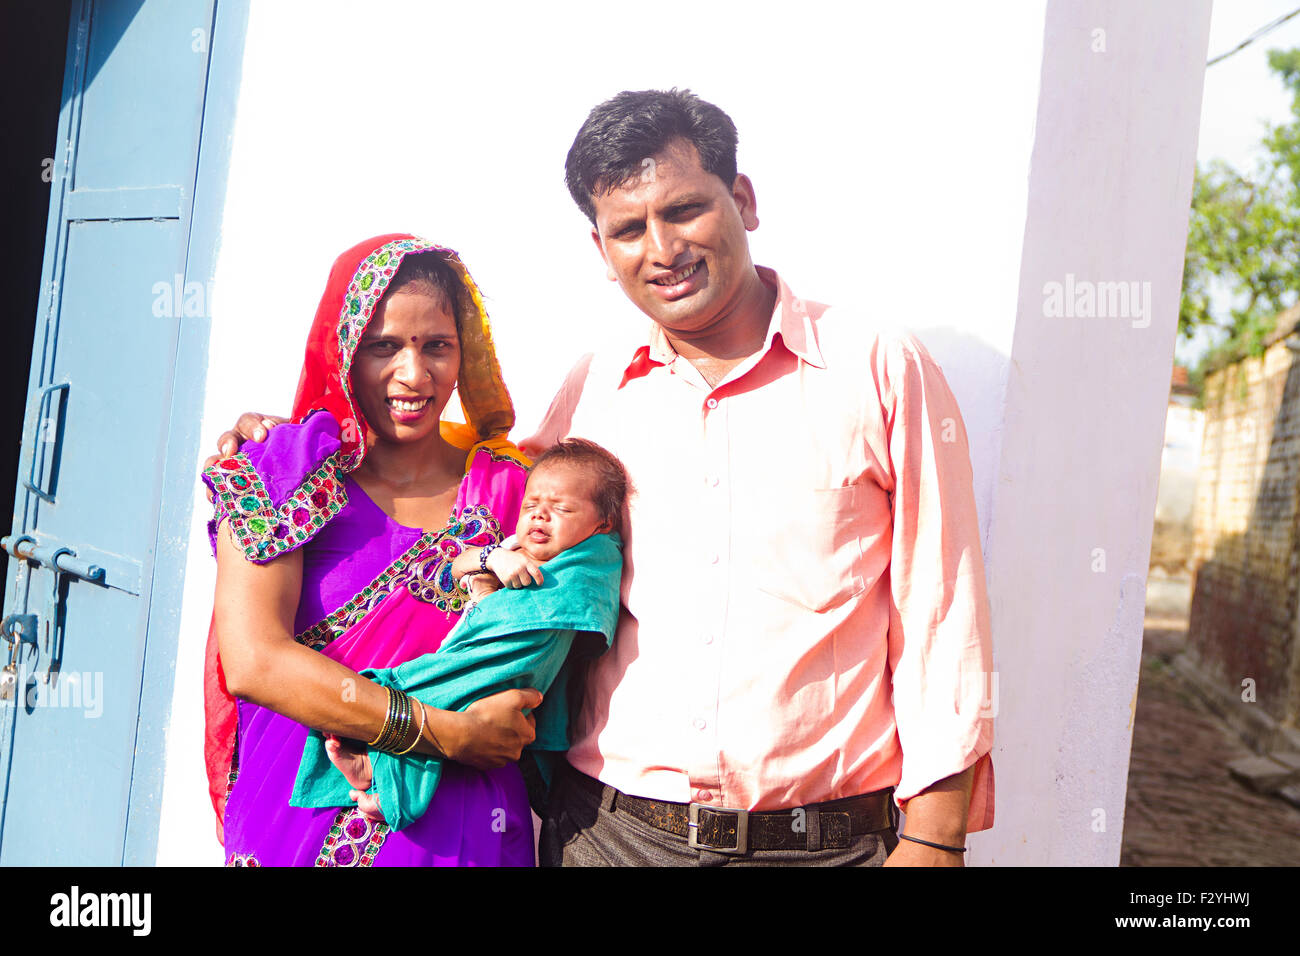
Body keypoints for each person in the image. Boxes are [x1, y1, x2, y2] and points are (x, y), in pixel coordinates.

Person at [214, 89, 995, 867]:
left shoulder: (876, 370)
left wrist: (934, 836)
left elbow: (941, 611)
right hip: (610, 837)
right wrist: (281, 447)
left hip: (823, 842)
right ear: (601, 249)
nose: (662, 249)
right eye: (628, 228)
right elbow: (449, 490)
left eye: (684, 209)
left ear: (744, 201)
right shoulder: (592, 393)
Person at [205, 234, 546, 866]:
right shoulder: (281, 476)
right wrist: (446, 732)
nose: (413, 376)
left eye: (436, 346)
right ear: (343, 352)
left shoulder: (514, 492)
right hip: (298, 821)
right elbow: (255, 661)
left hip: (459, 826)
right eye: (383, 346)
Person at [299, 438, 630, 829]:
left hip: (511, 666)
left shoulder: (591, 560)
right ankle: (376, 769)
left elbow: (565, 604)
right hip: (472, 650)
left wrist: (495, 597)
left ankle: (382, 784)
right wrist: (493, 558)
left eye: (561, 509)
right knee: (433, 696)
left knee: (445, 698)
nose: (540, 517)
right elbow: (459, 565)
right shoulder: (512, 549)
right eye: (530, 507)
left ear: (603, 523)